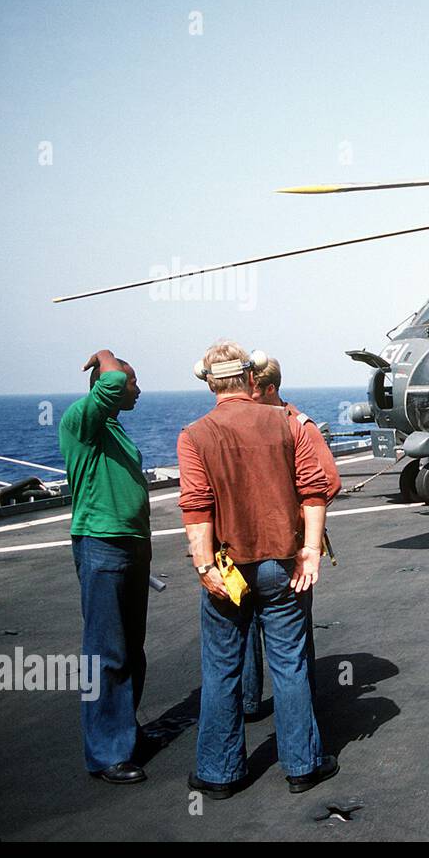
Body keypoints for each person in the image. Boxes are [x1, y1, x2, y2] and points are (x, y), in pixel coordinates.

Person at [178, 341, 338, 798]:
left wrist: (204, 565)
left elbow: (196, 507)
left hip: (227, 569)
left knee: (222, 669)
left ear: (209, 382)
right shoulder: (290, 423)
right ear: (252, 378)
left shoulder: (194, 434)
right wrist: (309, 552)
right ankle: (303, 766)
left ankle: (218, 773)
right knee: (290, 666)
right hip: (284, 566)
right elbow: (315, 490)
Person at [58, 349, 150, 784]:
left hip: (128, 547)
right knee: (106, 654)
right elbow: (110, 383)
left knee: (131, 650)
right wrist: (106, 355)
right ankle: (107, 753)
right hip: (102, 546)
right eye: (132, 382)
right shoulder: (83, 420)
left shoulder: (112, 429)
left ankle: (125, 736)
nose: (136, 389)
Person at [241, 357, 342, 719]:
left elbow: (329, 481)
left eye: (251, 390)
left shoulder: (298, 426)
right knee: (246, 624)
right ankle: (248, 701)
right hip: (247, 547)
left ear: (269, 389)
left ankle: (305, 703)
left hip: (290, 548)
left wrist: (296, 523)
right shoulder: (250, 427)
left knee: (295, 629)